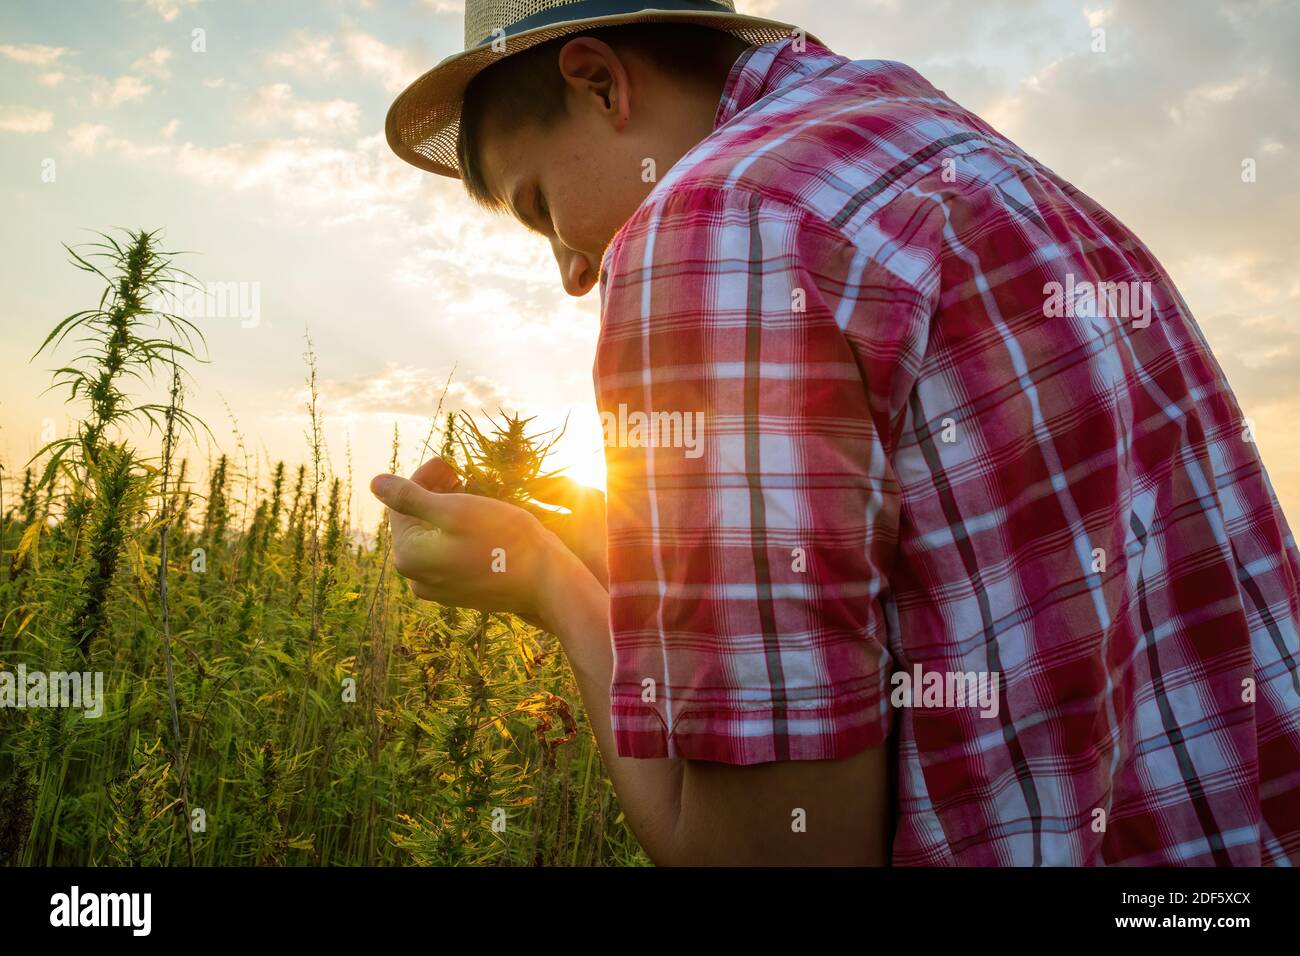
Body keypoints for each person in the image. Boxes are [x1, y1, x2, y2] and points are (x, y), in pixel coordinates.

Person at [371, 0, 1300, 865]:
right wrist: (598, 543)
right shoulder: (973, 162)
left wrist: (546, 582)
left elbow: (778, 849)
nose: (572, 273)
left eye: (540, 209)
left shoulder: (715, 221)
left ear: (599, 82)